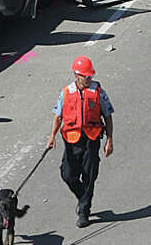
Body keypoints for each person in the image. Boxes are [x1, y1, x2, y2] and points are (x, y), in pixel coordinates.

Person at [46, 54, 114, 227]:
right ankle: (83, 197)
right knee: (67, 174)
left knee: (90, 175)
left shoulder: (98, 92)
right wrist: (52, 136)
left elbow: (108, 116)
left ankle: (84, 211)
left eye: (90, 76)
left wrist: (109, 140)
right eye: (86, 76)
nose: (89, 79)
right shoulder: (66, 93)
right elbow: (58, 116)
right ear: (77, 75)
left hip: (91, 139)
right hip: (72, 140)